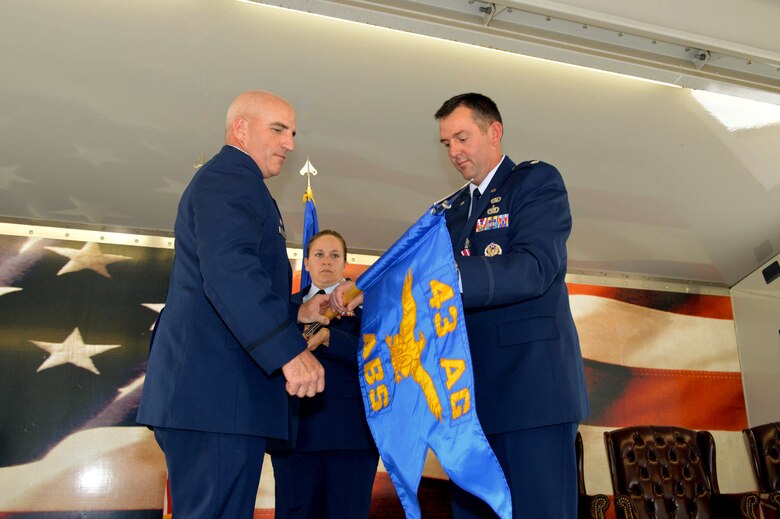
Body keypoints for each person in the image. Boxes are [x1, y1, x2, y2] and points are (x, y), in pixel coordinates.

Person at [332, 93, 589, 518]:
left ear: (494, 131)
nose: (454, 151)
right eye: (446, 143)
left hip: (532, 392)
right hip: (465, 403)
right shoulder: (449, 212)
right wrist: (366, 291)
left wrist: (442, 282)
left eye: (462, 137)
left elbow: (534, 268)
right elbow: (411, 280)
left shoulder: (534, 183)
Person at [136, 90, 330, 519]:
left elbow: (230, 280)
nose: (290, 144)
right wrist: (289, 353)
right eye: (278, 130)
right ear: (241, 130)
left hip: (219, 401)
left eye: (293, 133)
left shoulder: (240, 183)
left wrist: (297, 311)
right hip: (216, 398)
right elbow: (229, 274)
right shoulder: (229, 179)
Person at [270, 229, 378, 519]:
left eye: (334, 256)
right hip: (294, 438)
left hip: (352, 439)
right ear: (306, 262)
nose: (326, 262)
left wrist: (333, 339)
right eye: (319, 255)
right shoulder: (280, 310)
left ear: (345, 264)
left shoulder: (370, 307)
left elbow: (384, 358)